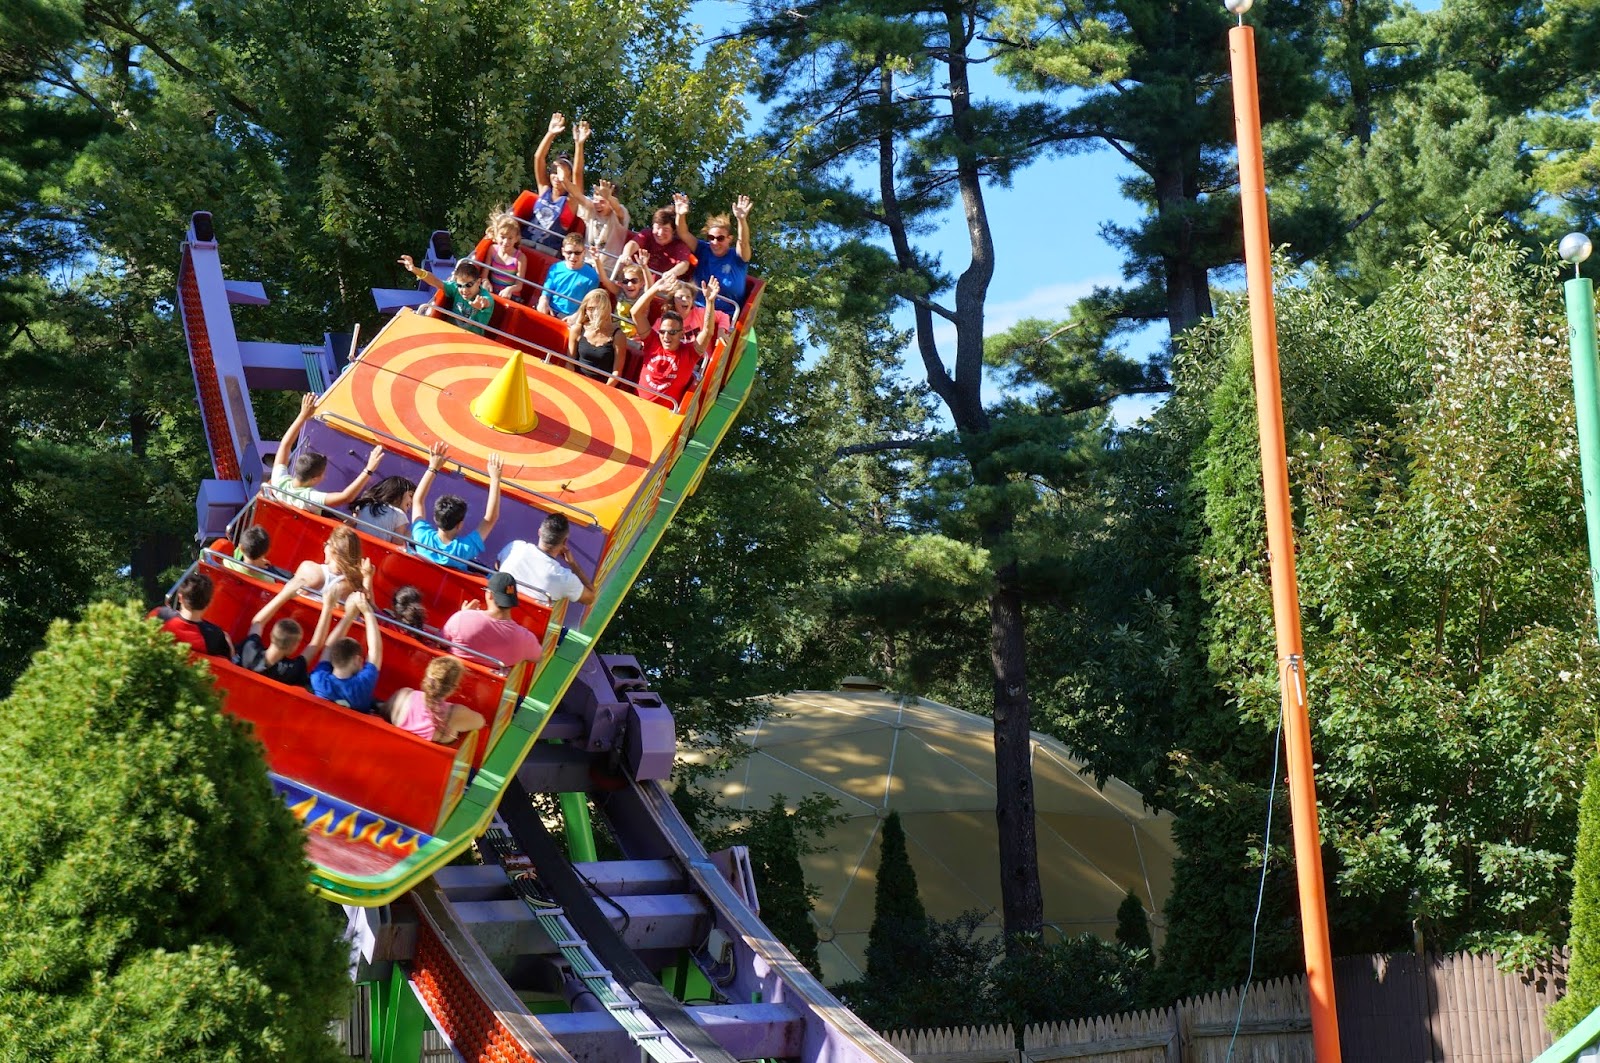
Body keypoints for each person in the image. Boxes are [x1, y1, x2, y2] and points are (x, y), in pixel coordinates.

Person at [270, 393, 385, 512]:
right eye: (323, 473)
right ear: (314, 479)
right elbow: (346, 497)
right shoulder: (309, 498)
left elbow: (285, 445)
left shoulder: (279, 482)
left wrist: (302, 415)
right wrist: (369, 469)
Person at [410, 440, 505, 570]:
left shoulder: (421, 537)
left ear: (435, 518)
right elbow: (491, 518)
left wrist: (433, 467)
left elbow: (417, 500)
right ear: (460, 525)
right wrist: (495, 479)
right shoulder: (463, 550)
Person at [635, 279, 721, 409]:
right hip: (637, 405)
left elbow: (708, 332)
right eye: (662, 332)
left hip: (664, 413)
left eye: (672, 332)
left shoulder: (689, 353)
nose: (666, 336)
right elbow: (636, 313)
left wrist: (710, 302)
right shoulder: (652, 342)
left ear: (681, 334)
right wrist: (655, 289)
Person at [441, 572, 544, 667]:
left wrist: (464, 614)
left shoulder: (461, 619)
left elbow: (441, 642)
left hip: (452, 676)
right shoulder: (525, 639)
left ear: (489, 594)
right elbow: (539, 657)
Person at [496, 512, 597, 608]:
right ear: (565, 541)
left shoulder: (515, 547)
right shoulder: (565, 579)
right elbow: (590, 598)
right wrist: (573, 564)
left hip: (497, 607)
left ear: (539, 532)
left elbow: (497, 566)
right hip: (529, 619)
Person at [309, 590, 383, 714]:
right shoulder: (362, 686)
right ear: (357, 660)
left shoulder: (319, 680)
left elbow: (328, 647)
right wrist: (367, 612)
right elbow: (375, 651)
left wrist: (349, 615)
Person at [675, 193, 753, 308]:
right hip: (696, 308)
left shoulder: (737, 257)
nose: (715, 242)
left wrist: (741, 220)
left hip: (724, 315)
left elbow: (743, 243)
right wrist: (680, 214)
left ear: (729, 239)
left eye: (720, 238)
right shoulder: (703, 249)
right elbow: (683, 233)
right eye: (711, 238)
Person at [385, 656, 485, 745]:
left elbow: (384, 714)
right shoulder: (456, 713)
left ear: (426, 677)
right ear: (454, 688)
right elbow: (481, 722)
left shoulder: (403, 694)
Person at [235, 575, 312, 687]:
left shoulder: (250, 650)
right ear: (293, 648)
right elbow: (317, 645)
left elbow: (258, 622)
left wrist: (284, 594)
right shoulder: (292, 671)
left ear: (271, 635)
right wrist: (328, 607)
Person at [526, 113, 587, 255]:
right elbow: (538, 158)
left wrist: (579, 145)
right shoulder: (544, 190)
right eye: (555, 171)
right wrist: (550, 133)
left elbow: (578, 174)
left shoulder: (570, 202)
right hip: (525, 244)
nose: (557, 177)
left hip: (546, 253)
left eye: (563, 173)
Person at [399, 255, 494, 336]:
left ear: (478, 282)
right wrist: (415, 270)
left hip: (473, 338)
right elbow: (435, 281)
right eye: (460, 286)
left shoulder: (484, 297)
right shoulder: (455, 289)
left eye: (469, 285)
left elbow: (486, 302)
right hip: (450, 331)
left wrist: (482, 304)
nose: (464, 290)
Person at [155, 571, 233, 659]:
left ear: (180, 598)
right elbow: (227, 660)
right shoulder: (215, 636)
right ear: (209, 603)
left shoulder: (159, 615)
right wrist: (227, 639)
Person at [283, 525, 366, 605]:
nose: (324, 549)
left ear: (333, 548)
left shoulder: (309, 568)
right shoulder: (353, 588)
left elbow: (285, 596)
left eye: (326, 544)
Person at [537, 233, 615, 319]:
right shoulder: (555, 268)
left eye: (577, 253)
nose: (573, 257)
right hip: (550, 310)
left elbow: (587, 304)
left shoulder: (592, 277)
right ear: (563, 251)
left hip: (571, 317)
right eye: (569, 252)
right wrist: (543, 301)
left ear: (584, 252)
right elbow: (546, 292)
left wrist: (575, 317)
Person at [573, 179, 631, 277]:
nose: (598, 204)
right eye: (595, 200)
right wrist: (564, 179)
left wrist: (608, 197)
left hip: (607, 269)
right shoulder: (591, 209)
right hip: (586, 263)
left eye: (602, 201)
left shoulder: (620, 214)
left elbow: (617, 209)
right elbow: (576, 194)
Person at [567, 289, 627, 384]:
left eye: (599, 308)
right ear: (585, 310)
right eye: (591, 309)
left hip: (602, 386)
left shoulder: (618, 335)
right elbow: (569, 362)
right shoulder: (577, 329)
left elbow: (616, 372)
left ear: (606, 309)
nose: (595, 313)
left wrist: (603, 390)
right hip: (576, 381)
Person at [620, 206, 694, 277]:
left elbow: (684, 264)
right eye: (657, 228)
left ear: (673, 231)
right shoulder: (647, 234)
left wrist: (672, 273)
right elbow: (633, 243)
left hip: (660, 284)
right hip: (636, 282)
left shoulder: (679, 245)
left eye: (666, 230)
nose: (660, 233)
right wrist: (626, 254)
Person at [351, 474, 416, 545]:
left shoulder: (364, 505)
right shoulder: (400, 515)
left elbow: (350, 526)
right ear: (397, 494)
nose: (412, 502)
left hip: (356, 547)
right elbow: (397, 544)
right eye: (411, 496)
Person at [481, 211, 530, 300]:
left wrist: (509, 289)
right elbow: (484, 274)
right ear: (496, 236)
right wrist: (485, 281)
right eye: (502, 237)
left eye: (510, 238)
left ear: (516, 239)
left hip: (511, 295)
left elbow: (519, 285)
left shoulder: (520, 258)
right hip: (492, 291)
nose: (506, 242)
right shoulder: (492, 249)